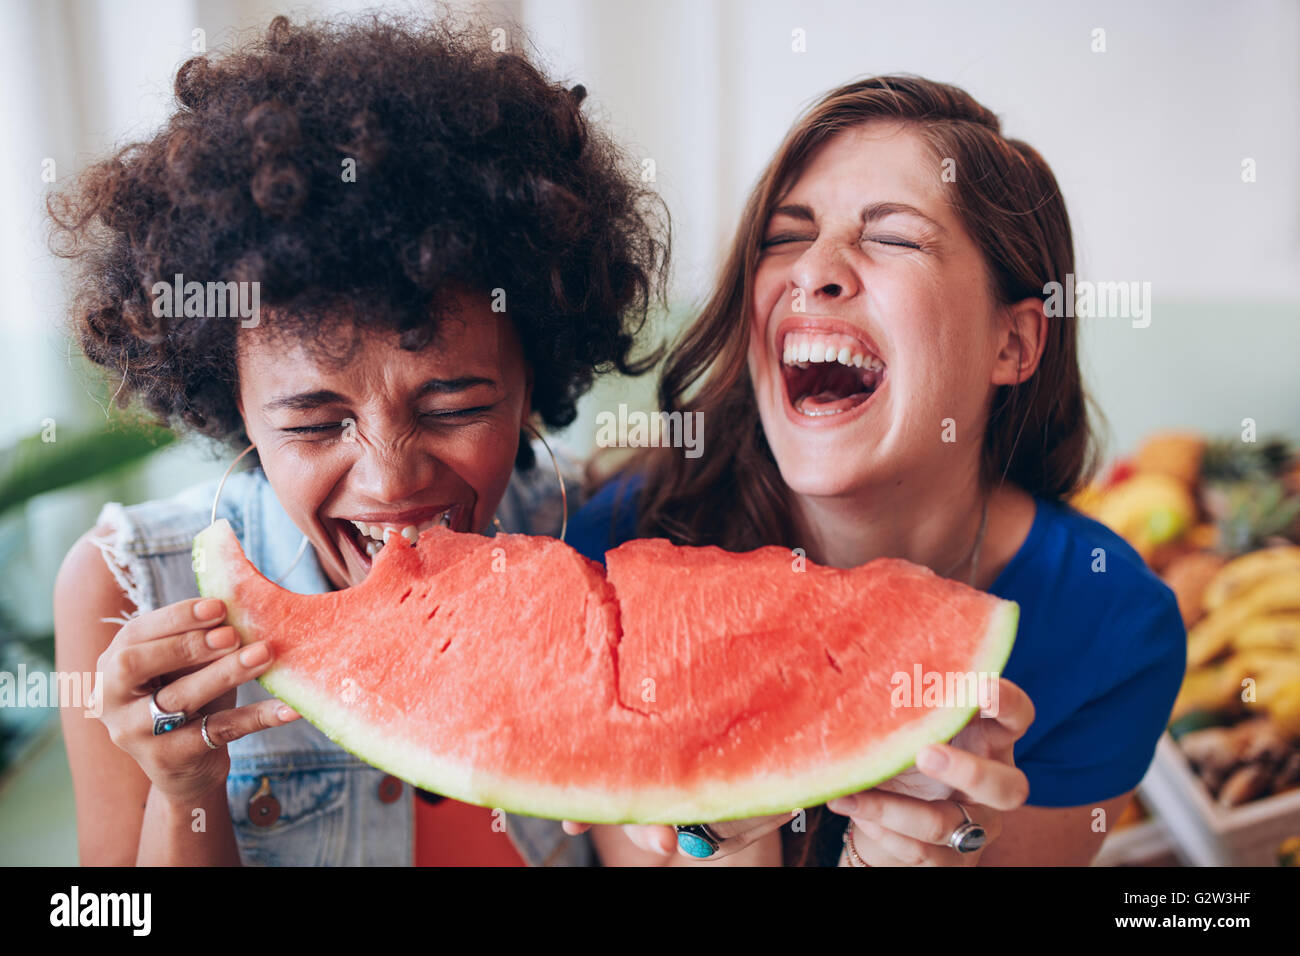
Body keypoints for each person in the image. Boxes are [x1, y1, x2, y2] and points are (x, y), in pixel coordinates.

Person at [50, 13, 666, 866]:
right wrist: (184, 792)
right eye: (312, 423)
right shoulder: (126, 586)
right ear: (231, 402)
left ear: (533, 380)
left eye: (452, 407)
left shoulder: (602, 552)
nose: (388, 480)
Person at [563, 75, 1186, 866]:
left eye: (892, 237)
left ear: (1014, 344)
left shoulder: (1113, 627)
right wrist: (706, 833)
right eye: (786, 236)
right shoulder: (621, 555)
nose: (813, 270)